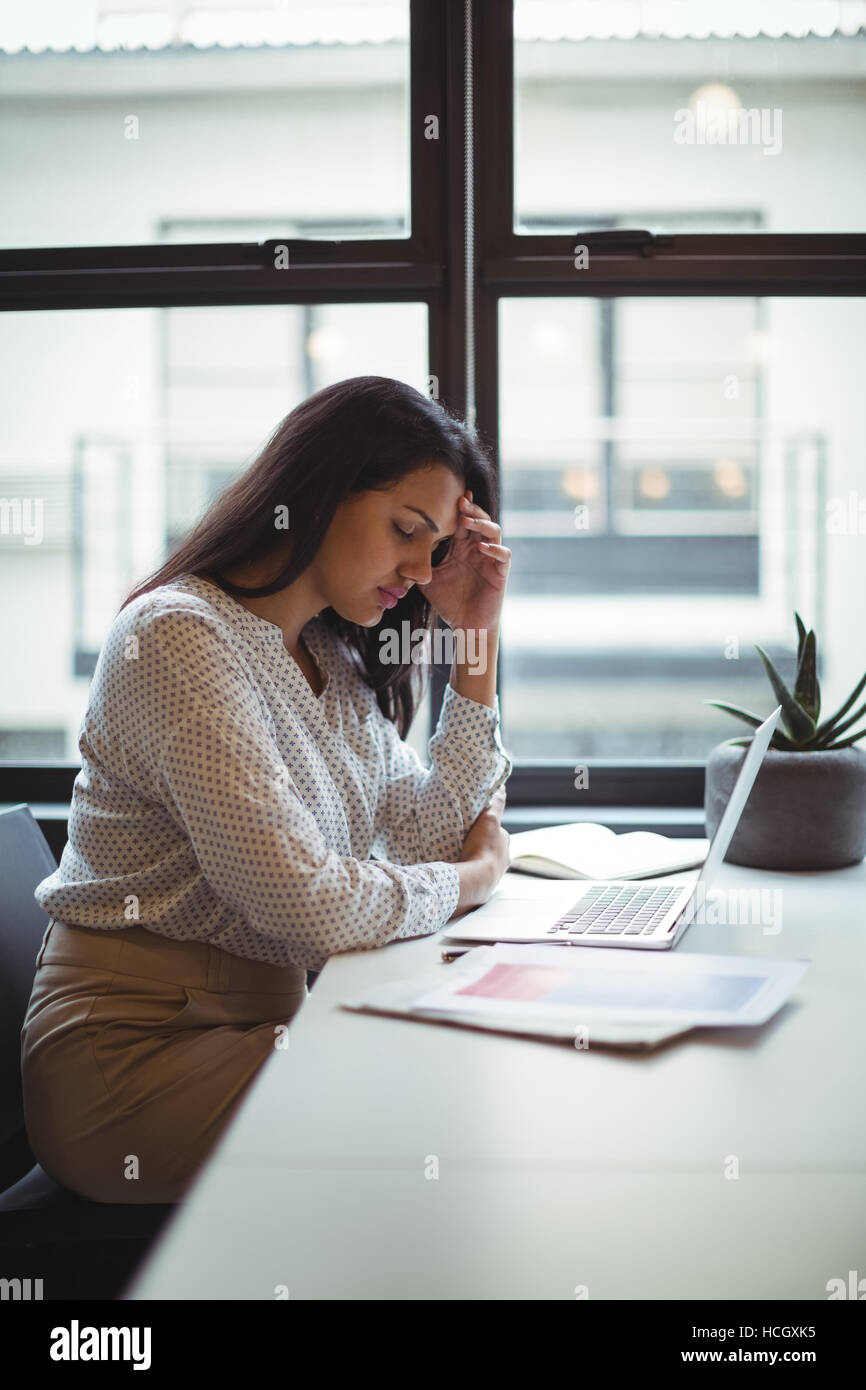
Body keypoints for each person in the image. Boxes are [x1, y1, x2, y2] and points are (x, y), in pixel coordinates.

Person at [21, 376, 513, 1204]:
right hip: (137, 1060)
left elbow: (428, 832)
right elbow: (313, 905)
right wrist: (475, 879)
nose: (416, 568)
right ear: (320, 488)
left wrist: (474, 635)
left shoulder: (328, 658)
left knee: (460, 1080)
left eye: (434, 550)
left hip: (265, 1025)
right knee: (447, 1097)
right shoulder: (178, 638)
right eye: (405, 530)